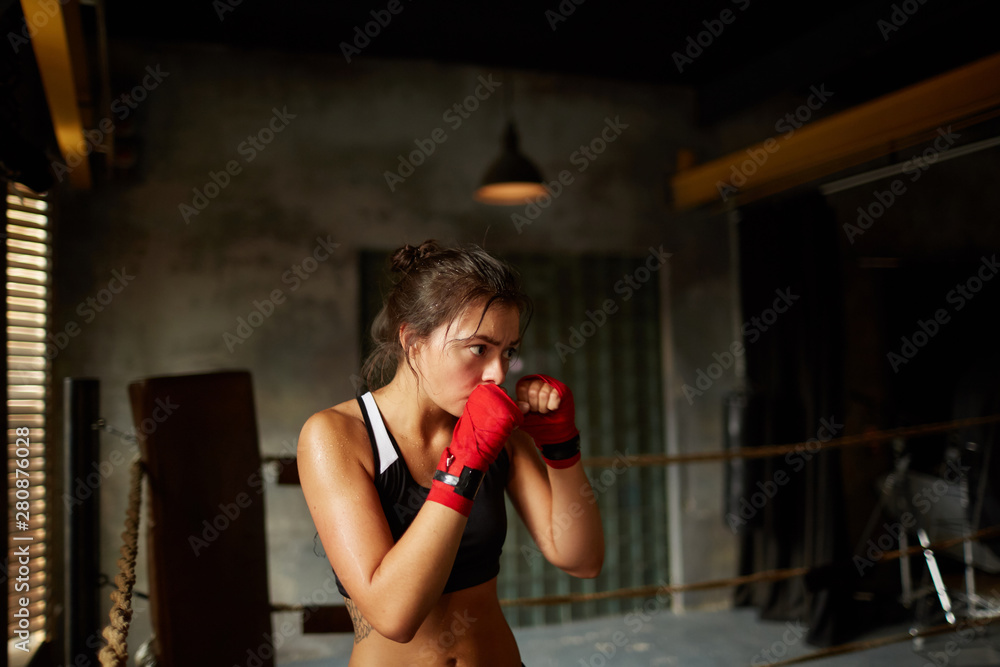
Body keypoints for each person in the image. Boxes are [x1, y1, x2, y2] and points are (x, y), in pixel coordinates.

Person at [297, 240, 605, 665]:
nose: (497, 374)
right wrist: (464, 464)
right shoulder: (337, 435)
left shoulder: (499, 431)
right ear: (413, 341)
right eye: (479, 348)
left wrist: (561, 448)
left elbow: (582, 559)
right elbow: (393, 615)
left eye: (508, 352)